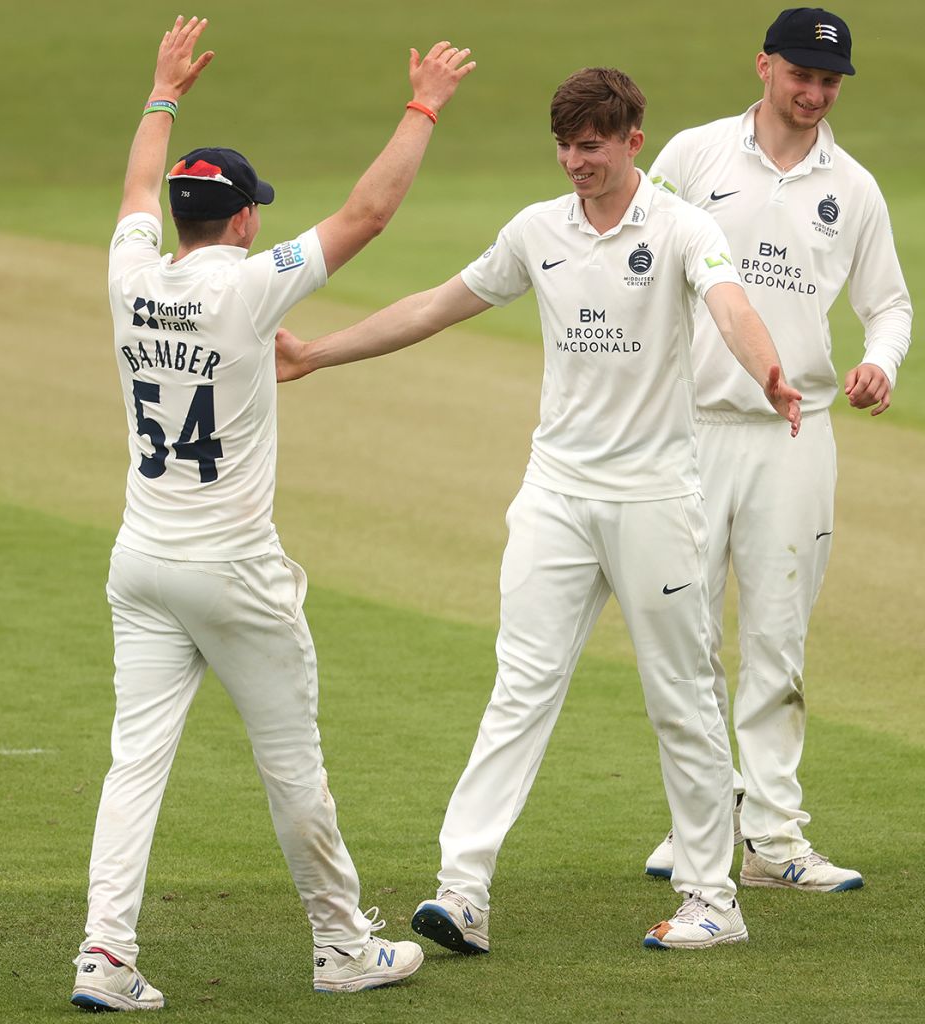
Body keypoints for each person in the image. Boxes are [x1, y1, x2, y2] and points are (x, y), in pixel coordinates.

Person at [276, 67, 803, 951]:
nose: (574, 163)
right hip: (556, 493)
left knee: (681, 698)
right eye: (564, 146)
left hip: (653, 499)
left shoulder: (682, 227)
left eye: (590, 146)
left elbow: (729, 303)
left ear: (633, 140)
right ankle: (464, 890)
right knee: (519, 689)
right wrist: (318, 353)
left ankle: (714, 898)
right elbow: (436, 307)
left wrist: (769, 371)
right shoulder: (537, 231)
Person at [71, 17, 475, 1010]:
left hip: (142, 560)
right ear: (245, 219)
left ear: (181, 219)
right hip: (233, 569)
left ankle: (106, 956)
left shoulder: (132, 275)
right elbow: (368, 213)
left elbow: (134, 191)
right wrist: (423, 104)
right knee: (293, 760)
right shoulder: (252, 290)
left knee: (135, 762)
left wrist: (163, 90)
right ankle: (341, 946)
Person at [642, 7, 912, 890]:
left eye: (829, 81)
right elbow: (639, 261)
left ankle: (774, 840)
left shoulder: (856, 187)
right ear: (763, 66)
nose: (814, 93)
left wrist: (879, 361)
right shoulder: (693, 156)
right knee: (683, 634)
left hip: (796, 438)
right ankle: (697, 824)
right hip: (689, 431)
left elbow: (890, 304)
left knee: (777, 636)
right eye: (801, 75)